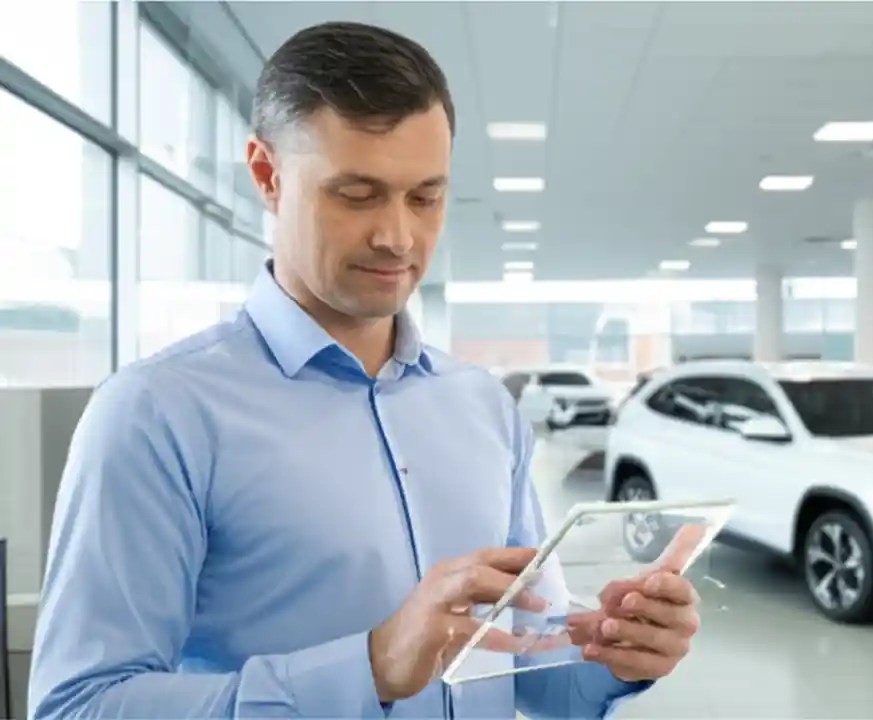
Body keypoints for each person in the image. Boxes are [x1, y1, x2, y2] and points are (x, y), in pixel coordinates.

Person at [28, 21, 701, 719]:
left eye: (425, 196)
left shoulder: (482, 406)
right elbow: (79, 704)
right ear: (268, 175)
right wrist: (370, 668)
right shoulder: (156, 414)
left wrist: (614, 656)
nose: (397, 236)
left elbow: (527, 666)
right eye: (356, 194)